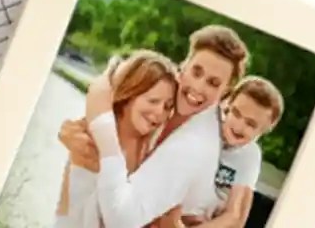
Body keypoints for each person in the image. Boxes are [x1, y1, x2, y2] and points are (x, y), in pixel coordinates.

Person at [59, 25, 250, 228]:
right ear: (185, 64)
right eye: (196, 72)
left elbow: (122, 219)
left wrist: (102, 133)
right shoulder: (168, 88)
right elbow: (113, 78)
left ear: (226, 90)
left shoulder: (193, 147)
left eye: (213, 83)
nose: (198, 87)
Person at [54, 50, 179, 228]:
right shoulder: (92, 138)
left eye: (167, 107)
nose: (160, 113)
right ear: (130, 95)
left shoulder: (147, 151)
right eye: (153, 101)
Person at [183, 76, 285, 228]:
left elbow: (236, 218)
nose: (238, 126)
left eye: (250, 124)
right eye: (236, 113)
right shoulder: (206, 127)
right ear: (228, 104)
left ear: (266, 129)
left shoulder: (249, 155)